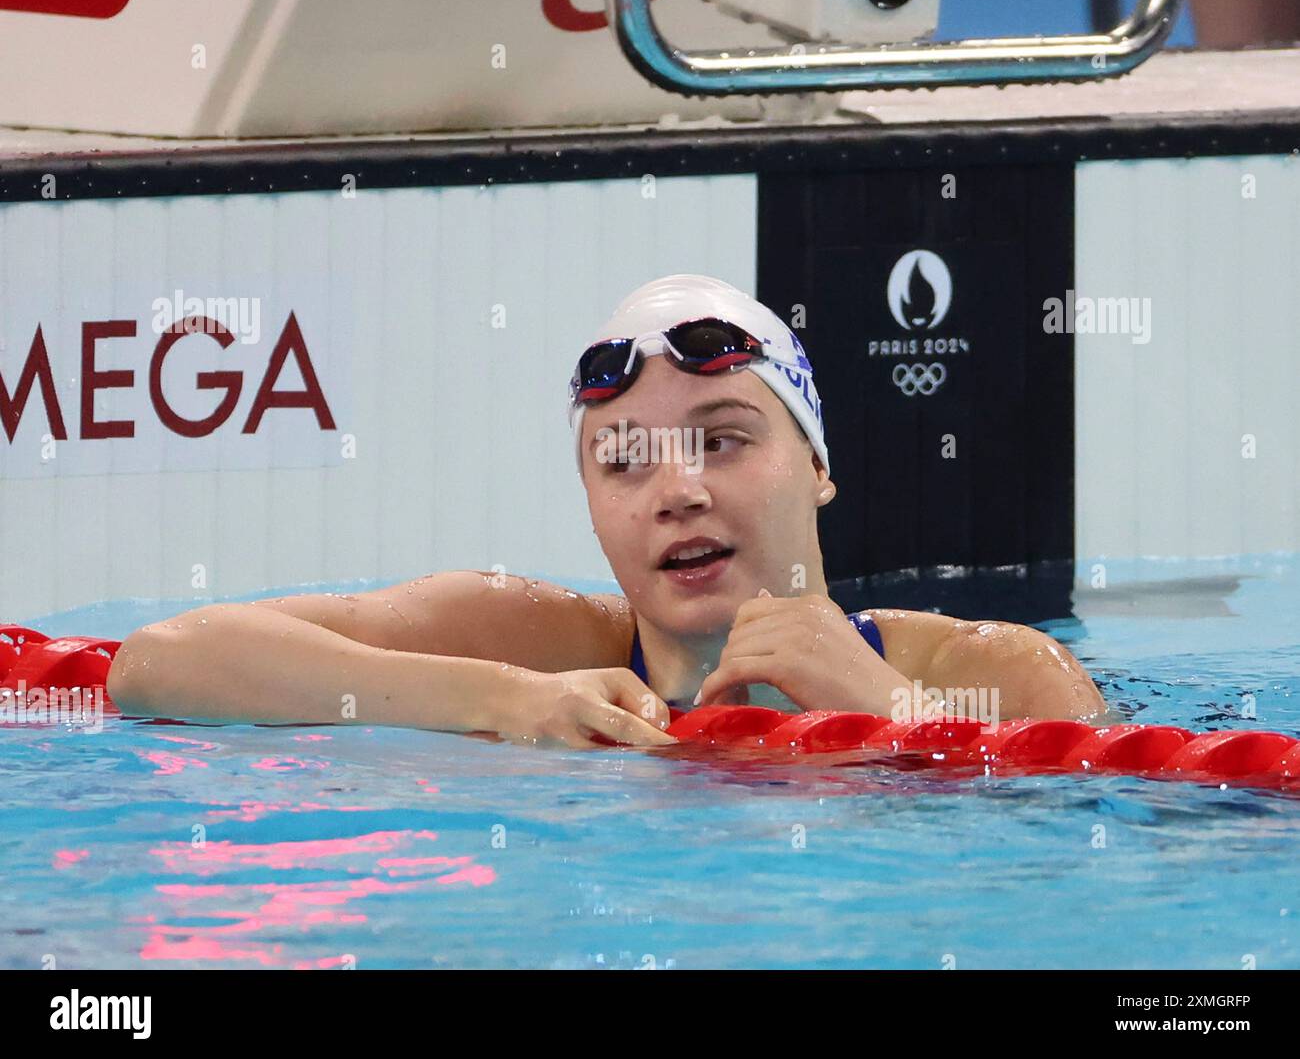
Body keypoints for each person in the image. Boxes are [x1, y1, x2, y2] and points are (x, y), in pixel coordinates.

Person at [107, 275, 1105, 747]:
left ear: (817, 465)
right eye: (623, 460)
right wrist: (496, 701)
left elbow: (1107, 843)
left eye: (721, 438)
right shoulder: (526, 642)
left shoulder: (993, 669)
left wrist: (889, 708)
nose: (677, 490)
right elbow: (160, 659)